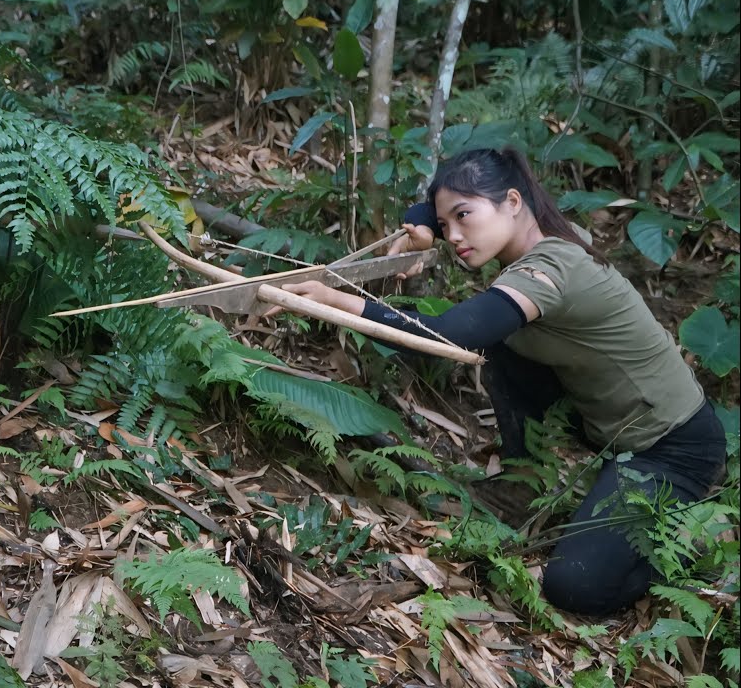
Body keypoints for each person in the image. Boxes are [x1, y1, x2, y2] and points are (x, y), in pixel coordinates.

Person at [267, 146, 727, 616]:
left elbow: (447, 336)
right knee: (503, 341)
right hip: (613, 434)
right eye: (447, 225)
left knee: (574, 589)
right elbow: (443, 205)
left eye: (464, 217)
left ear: (511, 201)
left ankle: (679, 549)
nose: (456, 236)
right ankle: (522, 481)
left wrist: (335, 300)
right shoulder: (548, 232)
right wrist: (423, 226)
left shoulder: (551, 268)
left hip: (674, 448)